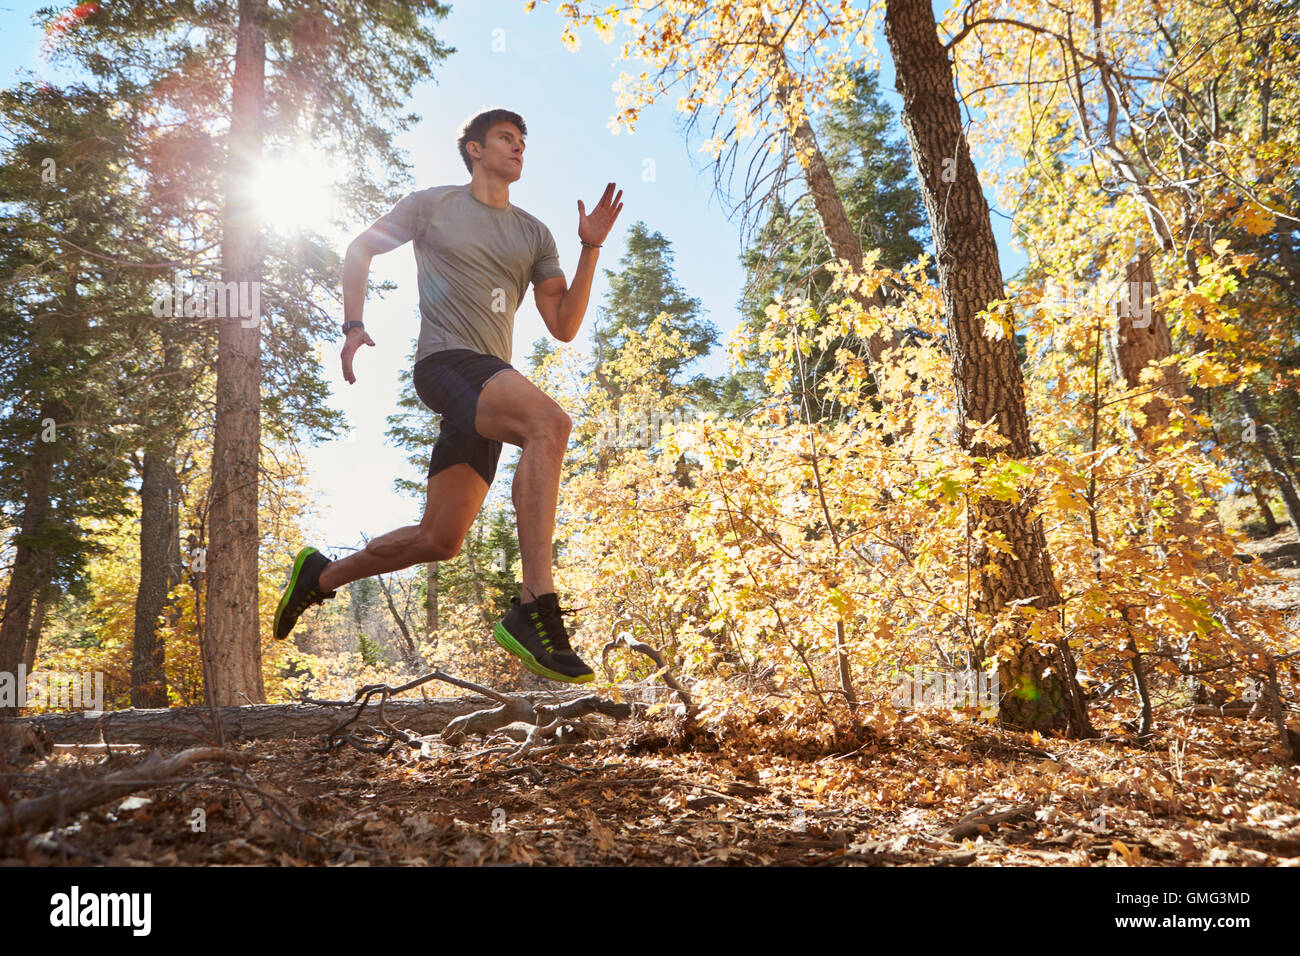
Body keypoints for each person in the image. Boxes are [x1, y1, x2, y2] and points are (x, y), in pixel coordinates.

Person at [272, 108, 623, 683]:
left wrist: (590, 250)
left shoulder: (534, 233)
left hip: (488, 383)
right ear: (474, 149)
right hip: (445, 364)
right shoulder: (431, 205)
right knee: (549, 425)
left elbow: (562, 324)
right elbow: (359, 248)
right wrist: (353, 324)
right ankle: (537, 604)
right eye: (506, 139)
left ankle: (320, 577)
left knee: (439, 540)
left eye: (523, 142)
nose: (518, 149)